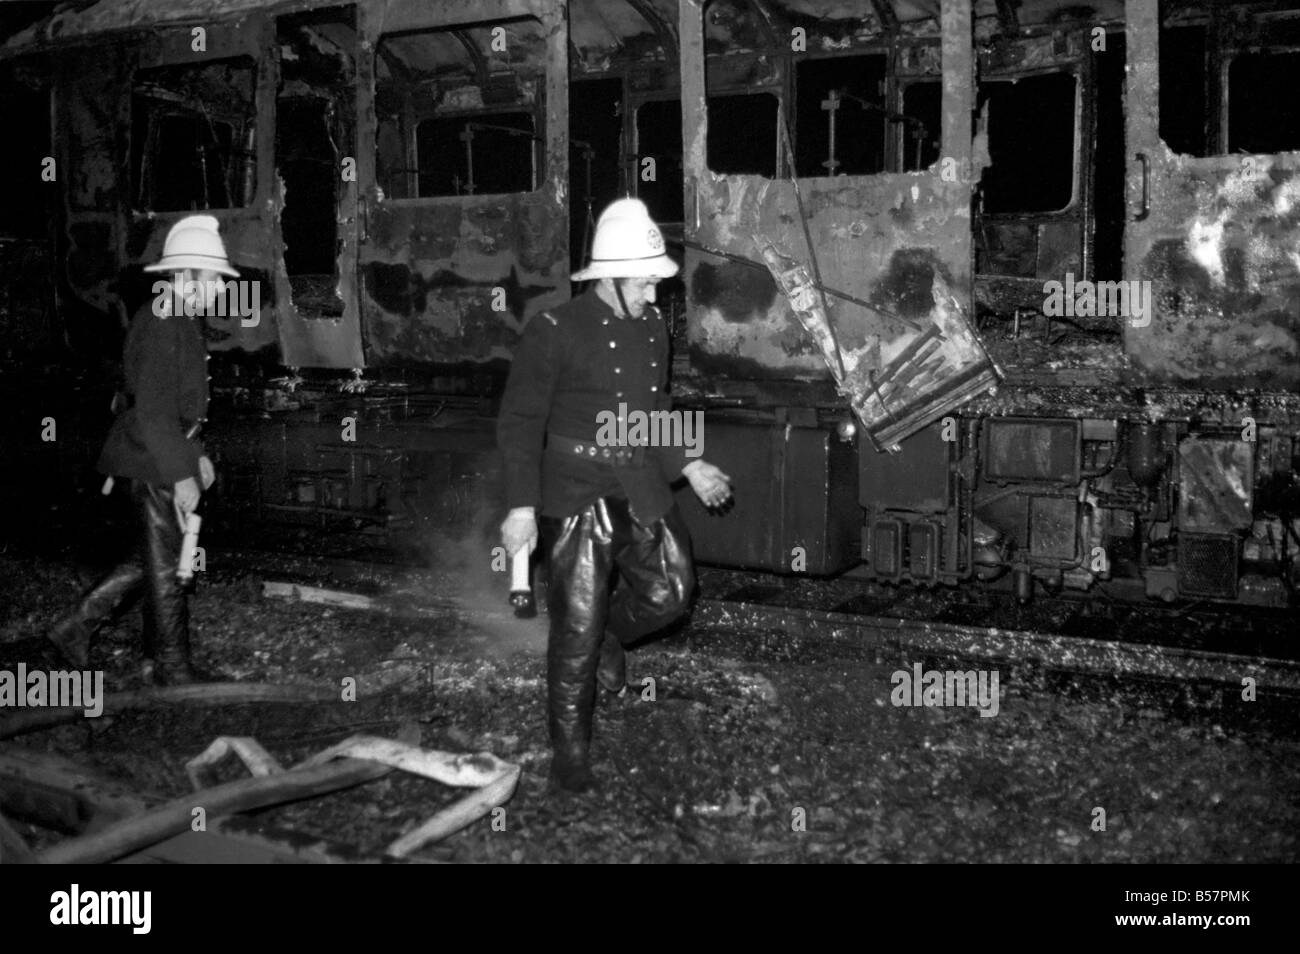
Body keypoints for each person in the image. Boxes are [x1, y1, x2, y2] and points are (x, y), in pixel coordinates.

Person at [497, 198, 733, 792]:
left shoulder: (652, 329)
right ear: (611, 277)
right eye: (647, 282)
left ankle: (606, 636)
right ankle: (569, 756)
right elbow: (520, 423)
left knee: (674, 590)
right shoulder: (554, 331)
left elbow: (653, 412)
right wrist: (521, 507)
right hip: (575, 494)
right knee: (573, 632)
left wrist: (693, 462)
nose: (656, 295)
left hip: (639, 482)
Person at [46, 215, 235, 685]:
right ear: (186, 274)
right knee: (167, 568)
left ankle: (80, 630)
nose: (218, 290)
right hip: (149, 459)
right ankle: (171, 668)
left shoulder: (179, 318)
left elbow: (178, 410)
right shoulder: (162, 321)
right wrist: (183, 474)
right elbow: (152, 413)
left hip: (158, 453)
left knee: (151, 558)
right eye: (213, 280)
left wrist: (199, 456)